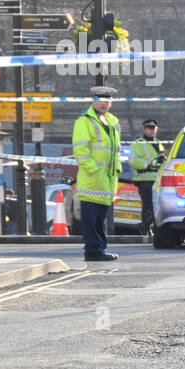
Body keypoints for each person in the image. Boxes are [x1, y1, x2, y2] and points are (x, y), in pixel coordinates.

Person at [72, 85, 122, 262]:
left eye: (107, 100)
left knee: (100, 220)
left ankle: (100, 248)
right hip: (92, 180)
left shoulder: (114, 122)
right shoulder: (84, 121)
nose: (104, 103)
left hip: (108, 181)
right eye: (100, 99)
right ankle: (93, 250)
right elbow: (81, 151)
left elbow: (115, 150)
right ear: (94, 101)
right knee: (91, 220)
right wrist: (94, 170)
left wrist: (117, 170)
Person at [130, 118, 165, 236]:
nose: (151, 131)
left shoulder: (159, 143)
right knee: (148, 205)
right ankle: (144, 226)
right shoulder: (138, 143)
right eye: (149, 128)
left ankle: (146, 226)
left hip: (157, 180)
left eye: (153, 128)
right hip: (144, 179)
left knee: (157, 206)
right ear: (144, 129)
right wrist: (150, 164)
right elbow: (133, 160)